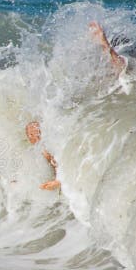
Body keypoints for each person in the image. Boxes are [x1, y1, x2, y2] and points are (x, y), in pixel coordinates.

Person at [24, 22, 125, 191]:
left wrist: (104, 43)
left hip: (110, 117)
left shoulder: (123, 74)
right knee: (33, 128)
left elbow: (122, 71)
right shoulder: (94, 71)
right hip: (88, 111)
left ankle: (62, 177)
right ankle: (59, 174)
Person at [25, 121, 60, 191]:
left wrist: (57, 182)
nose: (31, 136)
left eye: (35, 133)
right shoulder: (37, 149)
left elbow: (57, 165)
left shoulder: (44, 149)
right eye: (30, 134)